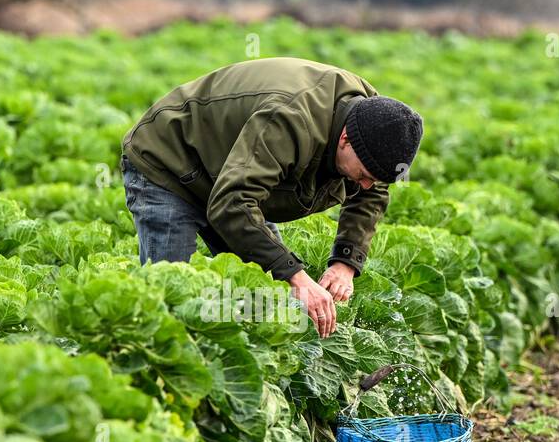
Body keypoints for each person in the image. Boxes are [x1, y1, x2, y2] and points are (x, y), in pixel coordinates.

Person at [120, 57, 423, 337]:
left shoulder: (377, 125)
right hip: (171, 163)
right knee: (173, 301)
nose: (368, 185)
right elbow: (233, 203)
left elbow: (374, 188)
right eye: (366, 174)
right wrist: (297, 276)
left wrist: (346, 261)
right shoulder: (292, 118)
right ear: (345, 139)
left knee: (269, 298)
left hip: (233, 174)